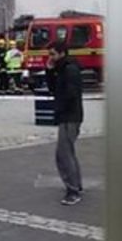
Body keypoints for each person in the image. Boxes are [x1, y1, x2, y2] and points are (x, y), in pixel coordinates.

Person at [46, 42, 84, 205]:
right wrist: (49, 71)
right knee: (68, 152)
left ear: (62, 53)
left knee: (63, 154)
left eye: (53, 54)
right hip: (67, 116)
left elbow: (70, 94)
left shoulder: (70, 70)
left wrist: (60, 108)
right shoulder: (62, 69)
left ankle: (73, 191)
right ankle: (76, 185)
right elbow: (53, 89)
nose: (51, 57)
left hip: (70, 116)